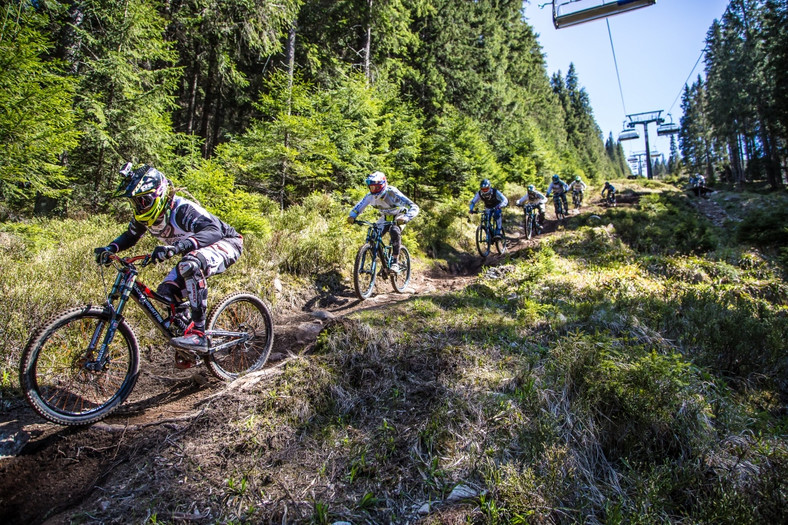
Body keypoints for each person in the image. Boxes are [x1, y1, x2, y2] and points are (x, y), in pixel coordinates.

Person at [94, 163, 243, 354]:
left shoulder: (181, 210)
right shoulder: (144, 217)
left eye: (143, 201)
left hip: (228, 242)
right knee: (165, 293)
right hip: (197, 252)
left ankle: (199, 334)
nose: (139, 207)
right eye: (135, 203)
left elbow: (213, 231)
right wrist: (110, 248)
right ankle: (187, 336)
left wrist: (177, 247)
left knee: (189, 264)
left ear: (159, 194)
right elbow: (130, 236)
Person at [347, 171, 419, 273]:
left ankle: (395, 262)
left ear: (383, 185)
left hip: (399, 216)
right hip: (385, 218)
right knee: (373, 237)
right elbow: (359, 207)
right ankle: (384, 262)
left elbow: (414, 206)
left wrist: (406, 218)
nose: (373, 190)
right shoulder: (370, 196)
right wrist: (352, 216)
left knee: (394, 230)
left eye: (376, 187)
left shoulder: (392, 192)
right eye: (371, 187)